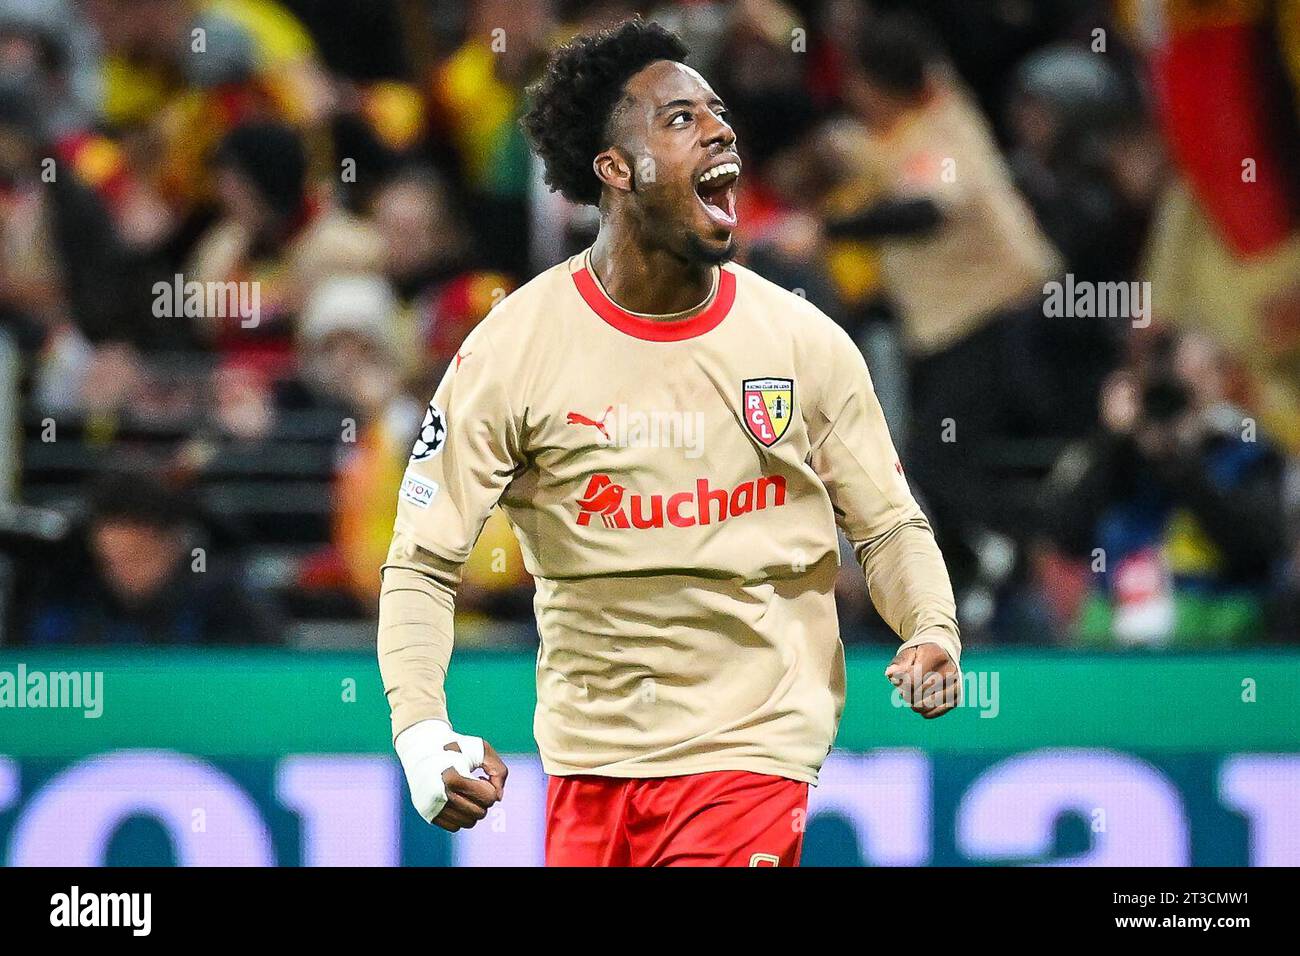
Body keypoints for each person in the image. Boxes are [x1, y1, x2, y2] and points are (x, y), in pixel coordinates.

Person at [376, 17, 961, 868]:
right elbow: (422, 560)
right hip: (590, 770)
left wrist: (931, 627)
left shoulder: (802, 344)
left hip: (750, 759)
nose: (721, 128)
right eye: (680, 118)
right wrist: (422, 734)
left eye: (718, 112)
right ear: (615, 169)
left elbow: (888, 525)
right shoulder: (511, 350)